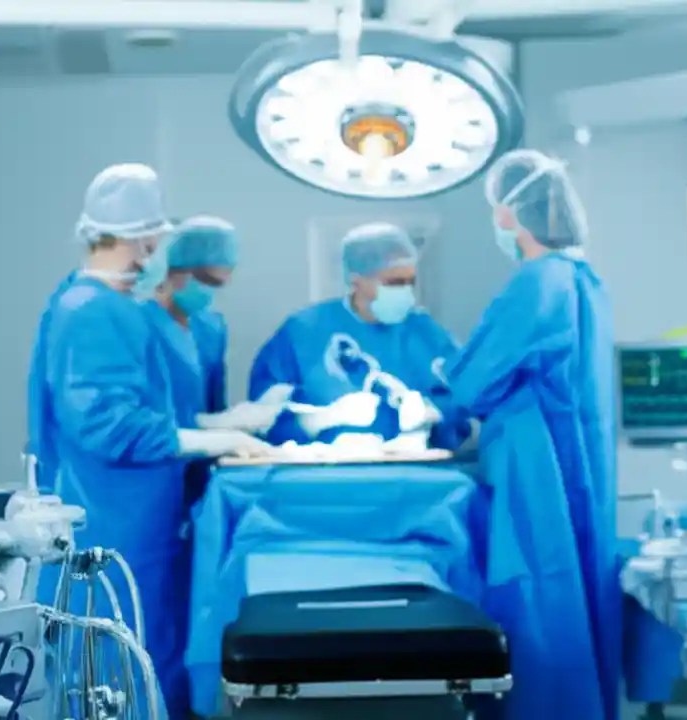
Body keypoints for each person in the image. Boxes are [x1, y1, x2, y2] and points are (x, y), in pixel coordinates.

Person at [24, 163, 270, 719]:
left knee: (149, 659)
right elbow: (106, 424)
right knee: (116, 674)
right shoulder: (89, 310)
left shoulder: (113, 306)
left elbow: (143, 406)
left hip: (141, 522)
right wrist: (204, 440)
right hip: (114, 523)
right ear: (141, 241)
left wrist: (214, 426)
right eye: (157, 239)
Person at [439, 149, 619, 720]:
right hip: (576, 466)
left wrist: (437, 396)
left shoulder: (537, 283)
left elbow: (476, 380)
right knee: (576, 598)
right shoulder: (582, 280)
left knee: (540, 600)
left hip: (537, 473)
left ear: (508, 213)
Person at [248, 222, 471, 448]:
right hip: (322, 466)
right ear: (356, 280)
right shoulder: (304, 331)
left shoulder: (425, 333)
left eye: (410, 282)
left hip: (413, 464)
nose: (406, 291)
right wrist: (318, 420)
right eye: (394, 283)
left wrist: (434, 414)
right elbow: (264, 415)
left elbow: (463, 399)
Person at [139, 215, 291, 507]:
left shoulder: (210, 328)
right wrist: (212, 425)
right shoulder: (138, 324)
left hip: (196, 475)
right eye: (206, 280)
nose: (211, 291)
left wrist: (237, 421)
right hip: (147, 476)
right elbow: (134, 419)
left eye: (220, 283)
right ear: (173, 270)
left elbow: (212, 404)